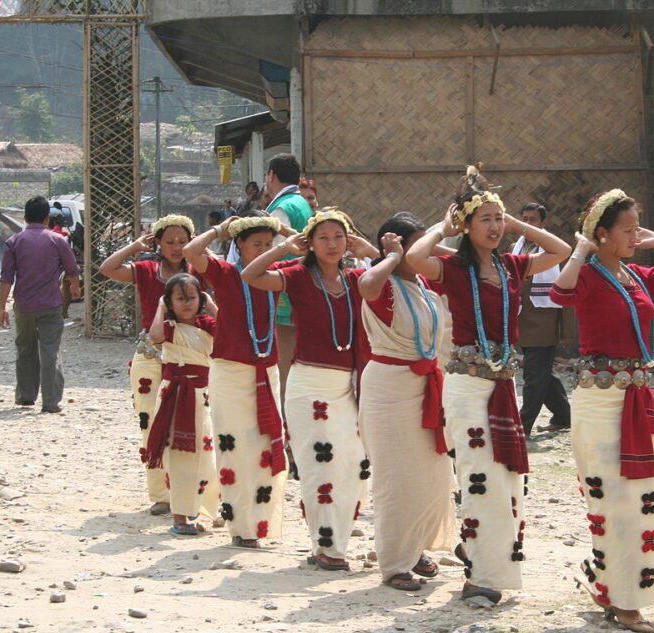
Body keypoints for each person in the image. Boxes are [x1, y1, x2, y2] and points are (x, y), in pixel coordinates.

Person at [407, 165, 570, 603]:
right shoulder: (454, 269)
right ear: (467, 227)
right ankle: (479, 575)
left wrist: (515, 221)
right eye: (487, 220)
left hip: (502, 385)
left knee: (506, 480)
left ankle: (486, 556)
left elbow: (561, 249)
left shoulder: (514, 266)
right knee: (478, 476)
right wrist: (443, 226)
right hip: (467, 387)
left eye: (499, 220)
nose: (496, 227)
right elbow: (414, 259)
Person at [551, 189, 654, 633]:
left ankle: (615, 587)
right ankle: (624, 601)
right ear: (602, 234)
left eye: (639, 228)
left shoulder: (636, 275)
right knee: (614, 499)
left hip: (635, 397)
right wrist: (580, 251)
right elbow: (560, 295)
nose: (636, 236)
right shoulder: (589, 276)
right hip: (600, 400)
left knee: (642, 498)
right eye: (628, 230)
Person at [241, 208, 379, 570]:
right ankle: (326, 547)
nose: (332, 244)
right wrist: (284, 247)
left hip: (346, 386)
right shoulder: (298, 276)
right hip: (307, 384)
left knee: (354, 462)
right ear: (311, 244)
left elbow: (395, 278)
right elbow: (250, 274)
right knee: (321, 464)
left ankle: (337, 541)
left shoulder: (357, 279)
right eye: (324, 238)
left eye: (339, 237)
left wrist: (370, 252)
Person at [357, 212, 456, 591]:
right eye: (412, 244)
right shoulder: (385, 285)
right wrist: (394, 256)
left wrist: (437, 233)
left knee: (431, 474)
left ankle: (416, 548)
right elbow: (366, 283)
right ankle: (394, 562)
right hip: (389, 388)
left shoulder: (426, 288)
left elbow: (456, 260)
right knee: (396, 477)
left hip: (427, 384)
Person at [183, 214, 291, 549]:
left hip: (266, 369)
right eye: (255, 244)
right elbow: (191, 251)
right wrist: (219, 229)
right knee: (234, 446)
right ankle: (239, 527)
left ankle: (259, 525)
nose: (262, 249)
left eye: (267, 245)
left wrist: (282, 232)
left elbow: (311, 243)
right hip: (230, 370)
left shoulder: (277, 275)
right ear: (239, 246)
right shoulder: (226, 273)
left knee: (264, 444)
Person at [99, 214, 198, 516]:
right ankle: (161, 494)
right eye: (169, 242)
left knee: (191, 425)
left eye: (183, 241)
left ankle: (189, 491)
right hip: (151, 357)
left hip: (189, 357)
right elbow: (107, 268)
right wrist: (134, 246)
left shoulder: (199, 272)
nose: (177, 247)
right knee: (151, 424)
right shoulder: (144, 271)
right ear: (157, 243)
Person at [146, 273, 221, 535]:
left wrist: (212, 305)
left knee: (207, 455)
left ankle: (199, 509)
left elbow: (231, 331)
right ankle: (179, 516)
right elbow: (154, 337)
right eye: (180, 299)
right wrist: (159, 307)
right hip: (175, 396)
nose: (187, 303)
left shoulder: (207, 323)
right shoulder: (168, 326)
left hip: (204, 395)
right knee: (178, 454)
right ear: (170, 302)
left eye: (192, 297)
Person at [0, 196, 81, 414]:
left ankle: (26, 396)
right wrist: (74, 288)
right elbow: (72, 269)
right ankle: (50, 402)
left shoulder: (13, 242)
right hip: (51, 303)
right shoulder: (57, 240)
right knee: (50, 350)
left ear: (25, 218)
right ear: (47, 218)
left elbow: (6, 277)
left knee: (25, 348)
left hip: (24, 305)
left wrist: (1, 307)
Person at [513, 202, 572, 437]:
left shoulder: (553, 249)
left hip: (544, 320)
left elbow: (565, 288)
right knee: (541, 372)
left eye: (533, 220)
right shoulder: (515, 247)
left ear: (543, 223)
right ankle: (563, 416)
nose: (528, 224)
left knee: (533, 377)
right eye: (524, 219)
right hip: (521, 319)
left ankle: (521, 425)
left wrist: (567, 329)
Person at [260, 155, 316, 399]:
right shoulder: (302, 203)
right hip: (305, 284)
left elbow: (274, 249)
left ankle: (286, 416)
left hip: (284, 290)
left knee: (284, 360)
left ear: (271, 175)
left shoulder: (282, 207)